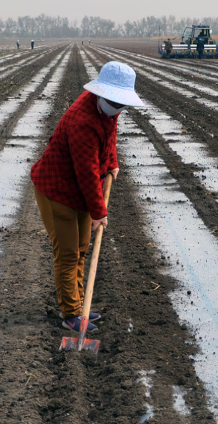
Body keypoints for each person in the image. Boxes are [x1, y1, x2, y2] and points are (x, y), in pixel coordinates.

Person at [31, 62, 145, 332]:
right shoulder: (83, 121)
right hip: (57, 189)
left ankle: (80, 305)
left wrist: (112, 163)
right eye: (114, 102)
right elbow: (87, 172)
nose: (118, 108)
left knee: (82, 248)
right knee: (69, 253)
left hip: (78, 190)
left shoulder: (107, 109)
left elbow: (109, 138)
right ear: (101, 93)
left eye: (121, 103)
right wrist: (99, 211)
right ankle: (71, 313)